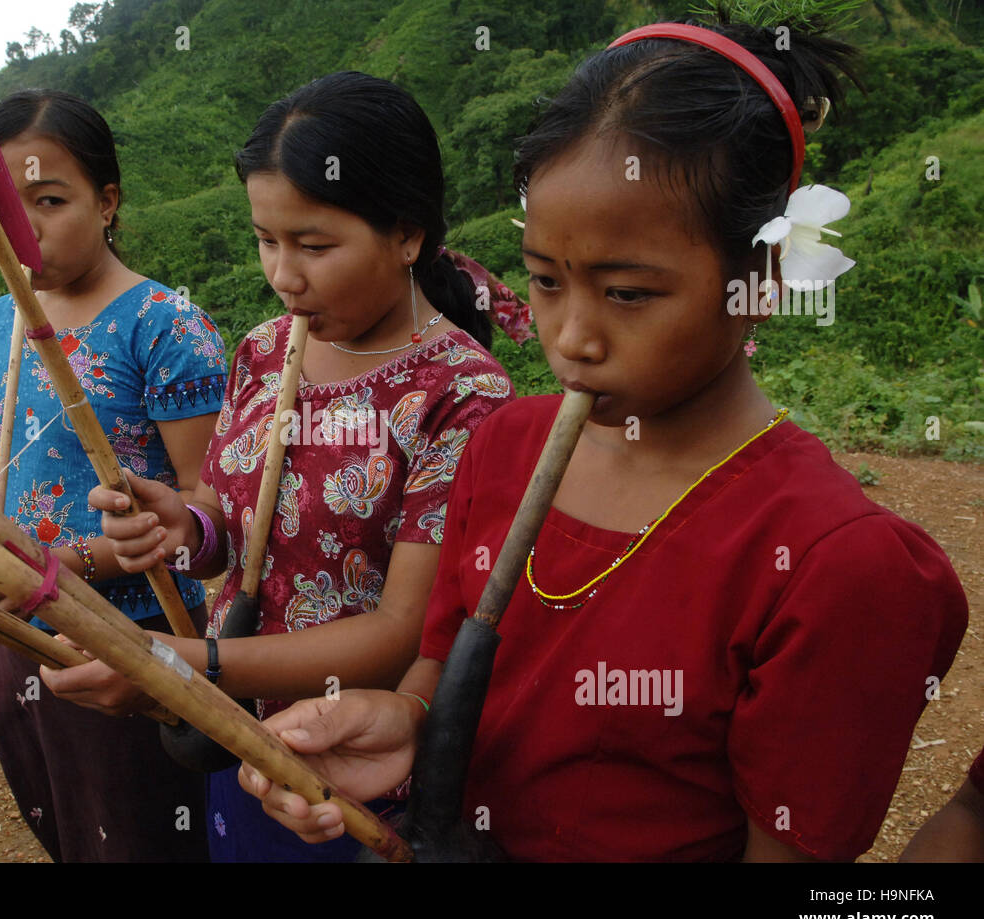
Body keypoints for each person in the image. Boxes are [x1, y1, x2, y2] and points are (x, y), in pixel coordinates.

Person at [236, 20, 969, 862]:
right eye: (546, 279)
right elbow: (441, 674)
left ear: (760, 283)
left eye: (626, 293)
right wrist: (401, 723)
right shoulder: (502, 447)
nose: (571, 338)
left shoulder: (836, 563)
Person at [42, 72, 523, 862]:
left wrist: (177, 664)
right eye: (267, 239)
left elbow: (401, 633)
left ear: (407, 235)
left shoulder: (464, 396)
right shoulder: (266, 351)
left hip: (359, 775)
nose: (283, 274)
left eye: (314, 245)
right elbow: (233, 531)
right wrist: (184, 526)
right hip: (244, 743)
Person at [0, 89, 226, 862]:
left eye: (51, 199)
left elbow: (209, 506)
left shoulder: (165, 324)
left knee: (140, 834)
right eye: (4, 206)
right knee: (64, 824)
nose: (25, 225)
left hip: (132, 639)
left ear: (107, 202)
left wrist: (74, 564)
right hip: (16, 632)